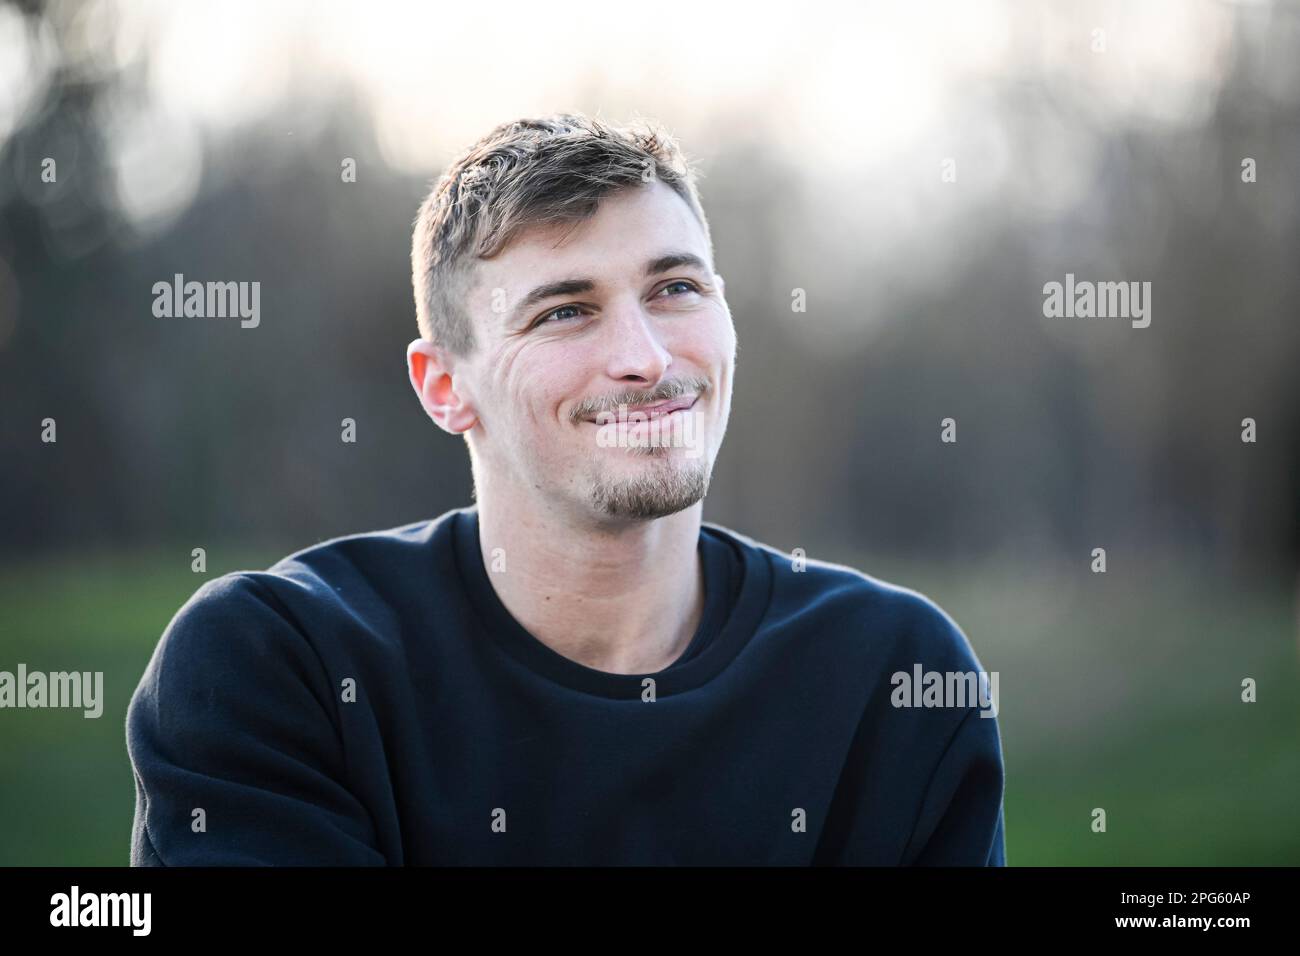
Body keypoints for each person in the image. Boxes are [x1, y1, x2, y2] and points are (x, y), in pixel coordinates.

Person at [126, 112, 1006, 865]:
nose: (645, 358)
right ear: (443, 386)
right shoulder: (275, 668)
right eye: (564, 311)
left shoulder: (895, 674)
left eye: (675, 288)